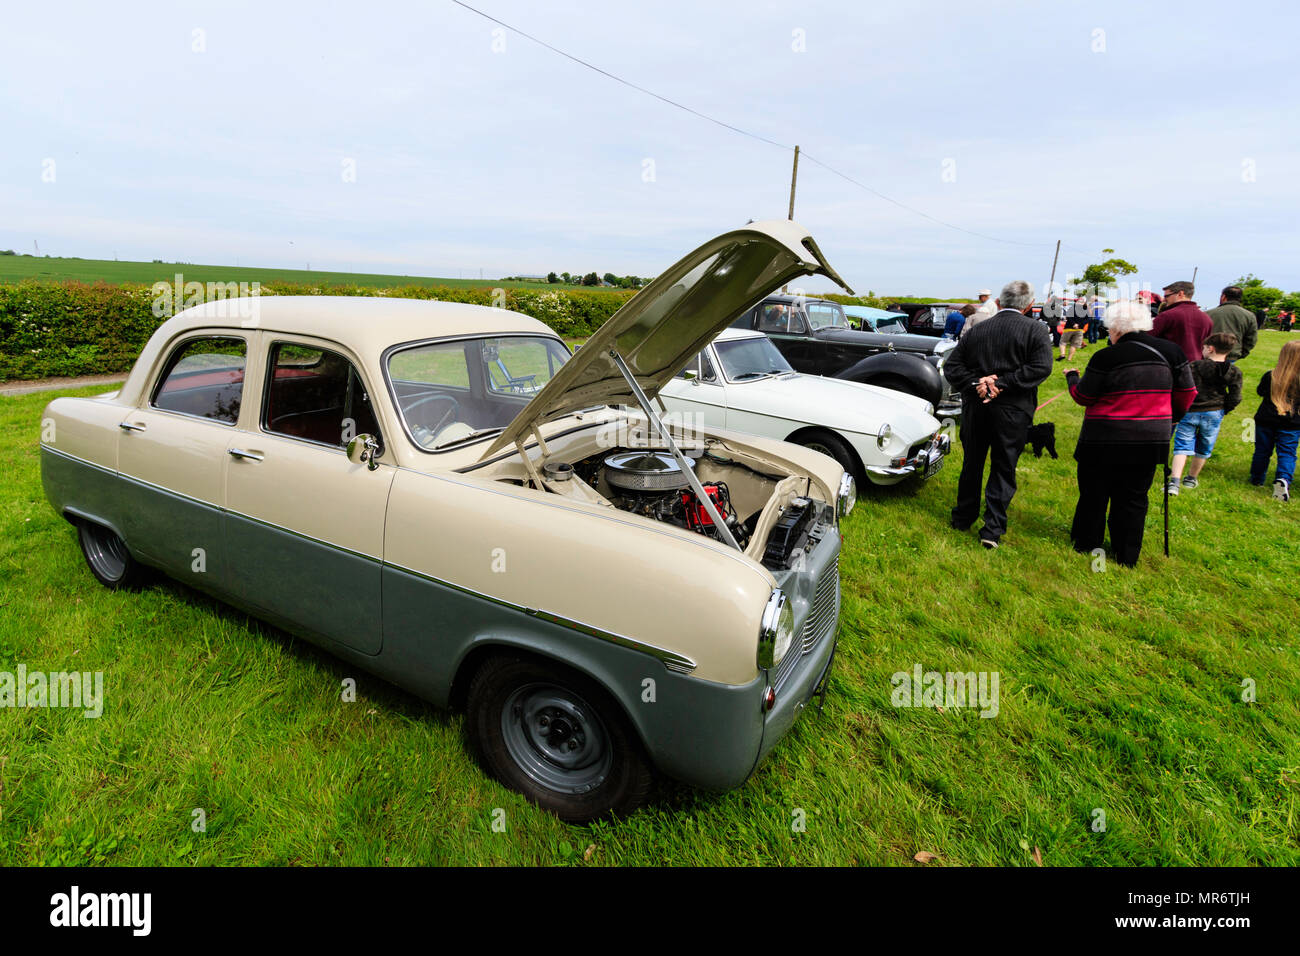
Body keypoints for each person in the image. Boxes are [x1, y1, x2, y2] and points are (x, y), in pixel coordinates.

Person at [1064, 300, 1196, 567]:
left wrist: (1072, 377)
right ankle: (1127, 553)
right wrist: (1170, 419)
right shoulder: (1173, 352)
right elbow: (1186, 394)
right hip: (1149, 439)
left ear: (1115, 328)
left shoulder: (1106, 356)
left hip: (1102, 438)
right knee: (1134, 496)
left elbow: (1084, 396)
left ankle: (1087, 542)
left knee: (1094, 493)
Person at [943, 280, 1053, 549]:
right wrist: (986, 383)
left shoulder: (979, 329)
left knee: (973, 463)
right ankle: (991, 528)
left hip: (980, 406)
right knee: (1003, 467)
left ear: (1000, 303)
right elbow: (1041, 368)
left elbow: (953, 366)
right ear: (1029, 306)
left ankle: (963, 517)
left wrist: (988, 383)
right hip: (1011, 410)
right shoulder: (1035, 330)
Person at [1168, 332, 1243, 494]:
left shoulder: (1194, 366)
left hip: (1191, 410)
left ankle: (1174, 480)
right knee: (1205, 445)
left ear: (1210, 349)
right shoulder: (1234, 371)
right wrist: (1225, 408)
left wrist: (1180, 406)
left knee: (1182, 445)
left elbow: (1184, 388)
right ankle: (1191, 478)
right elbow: (1236, 396)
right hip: (1214, 411)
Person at [1249, 340, 1300, 502]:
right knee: (1287, 453)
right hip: (1291, 423)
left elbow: (1260, 391)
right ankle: (1283, 479)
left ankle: (1257, 478)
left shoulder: (1270, 376)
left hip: (1266, 420)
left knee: (1262, 451)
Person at [1152, 280, 1214, 362]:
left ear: (1180, 294)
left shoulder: (1167, 315)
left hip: (1170, 364)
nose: (1164, 300)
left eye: (1167, 296)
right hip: (1196, 365)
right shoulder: (1206, 319)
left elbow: (1147, 337)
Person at [1207, 286, 1258, 362]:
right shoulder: (1249, 316)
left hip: (1209, 353)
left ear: (1223, 297)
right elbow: (1251, 339)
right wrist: (1241, 353)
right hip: (1232, 354)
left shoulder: (1208, 314)